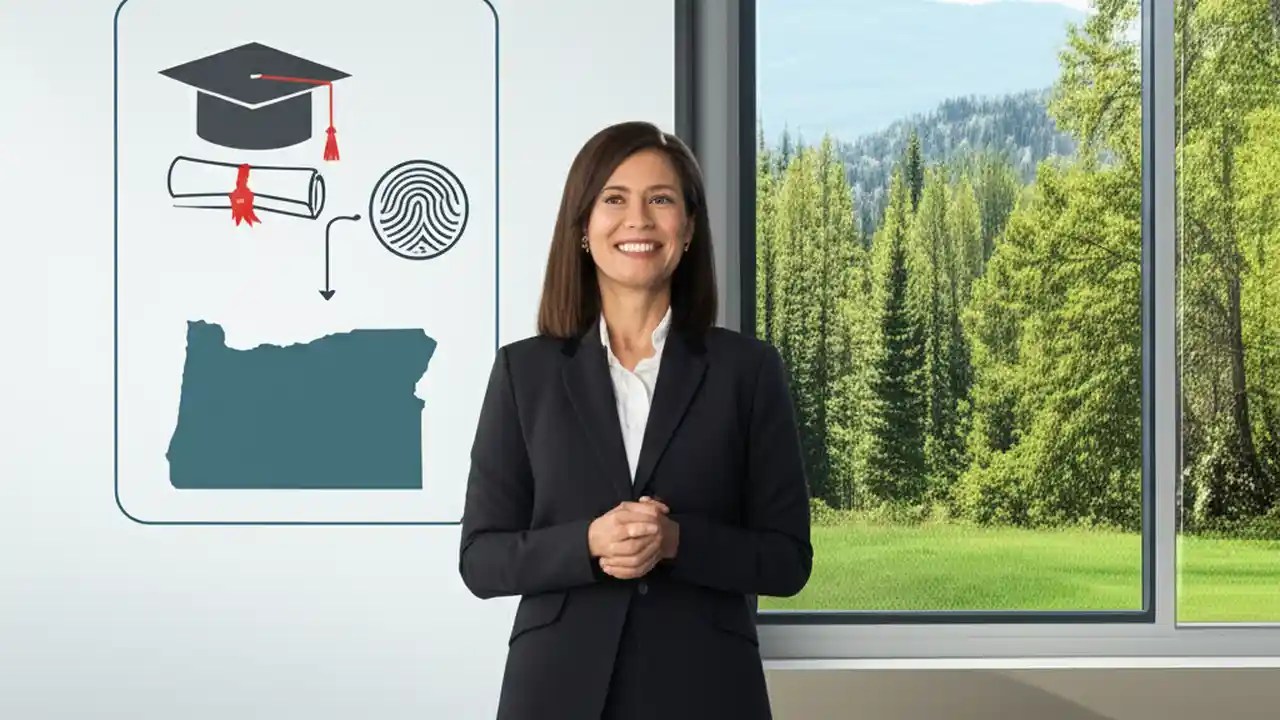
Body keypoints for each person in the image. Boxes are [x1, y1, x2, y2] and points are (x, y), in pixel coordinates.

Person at [458, 120, 813, 720]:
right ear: (583, 228)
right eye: (615, 199)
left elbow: (787, 560)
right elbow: (481, 559)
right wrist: (588, 543)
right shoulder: (525, 373)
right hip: (556, 690)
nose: (638, 220)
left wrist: (676, 541)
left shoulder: (748, 371)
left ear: (689, 228)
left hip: (709, 689)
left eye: (661, 200)